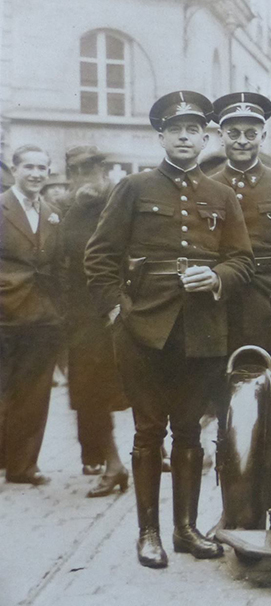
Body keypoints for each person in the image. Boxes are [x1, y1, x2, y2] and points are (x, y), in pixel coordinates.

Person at [85, 91, 255, 568]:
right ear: (161, 136)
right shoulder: (135, 188)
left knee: (188, 433)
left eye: (194, 130)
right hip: (143, 328)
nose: (185, 137)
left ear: (206, 137)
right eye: (175, 129)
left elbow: (243, 261)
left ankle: (185, 529)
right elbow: (99, 257)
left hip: (200, 329)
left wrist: (218, 277)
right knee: (147, 432)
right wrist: (117, 312)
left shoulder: (222, 194)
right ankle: (148, 534)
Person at [208, 92, 271, 377]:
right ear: (221, 136)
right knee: (224, 391)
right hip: (223, 303)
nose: (242, 140)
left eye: (251, 133)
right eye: (233, 133)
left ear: (263, 138)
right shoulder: (205, 187)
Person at [60, 144, 130, 497]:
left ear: (104, 171)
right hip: (83, 318)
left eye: (90, 170)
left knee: (141, 386)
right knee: (91, 392)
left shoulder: (117, 203)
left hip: (121, 309)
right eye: (77, 172)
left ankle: (155, 451)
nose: (84, 178)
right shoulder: (68, 209)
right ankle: (112, 461)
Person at [0, 144, 62, 486]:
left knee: (35, 392)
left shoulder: (53, 212)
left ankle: (22, 467)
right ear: (14, 169)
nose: (36, 174)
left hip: (42, 315)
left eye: (42, 168)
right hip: (4, 311)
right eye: (29, 167)